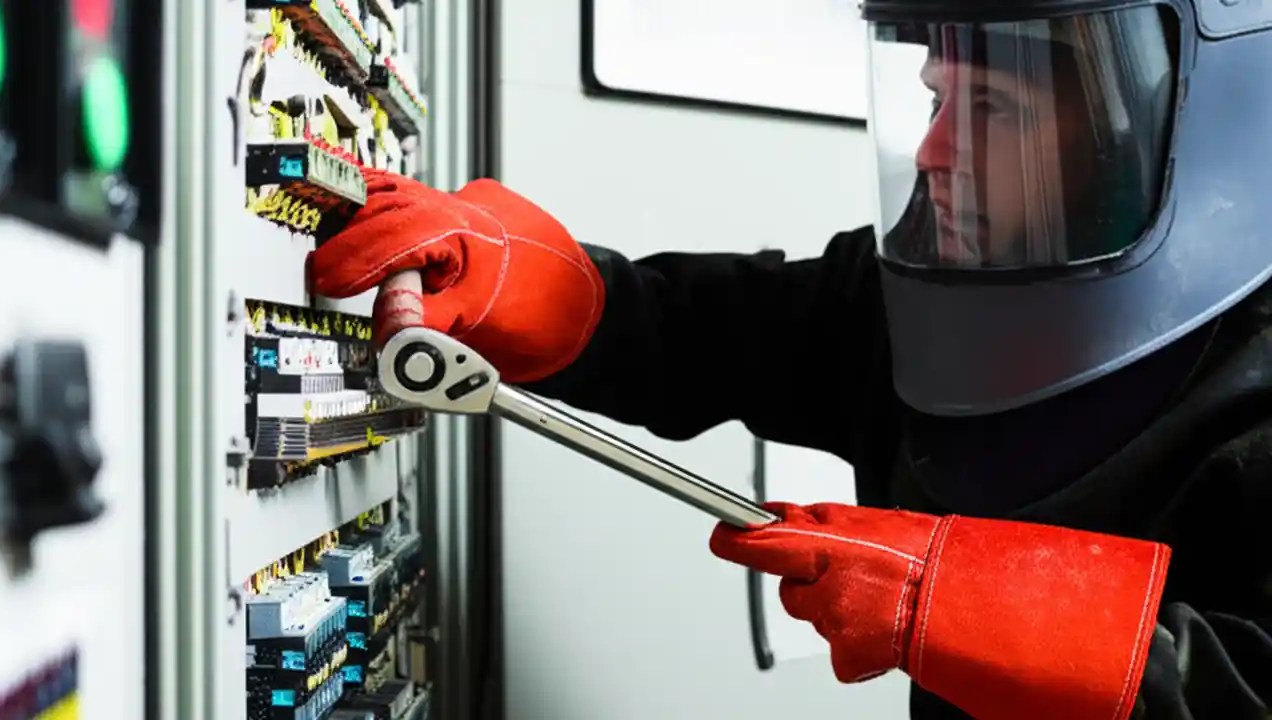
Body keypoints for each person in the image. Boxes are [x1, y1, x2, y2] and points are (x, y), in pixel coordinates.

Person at [308, 1, 1271, 718]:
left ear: (1152, 134)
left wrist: (1062, 633)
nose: (935, 153)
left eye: (995, 110)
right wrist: (576, 301)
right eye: (935, 99)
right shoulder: (921, 295)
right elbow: (717, 334)